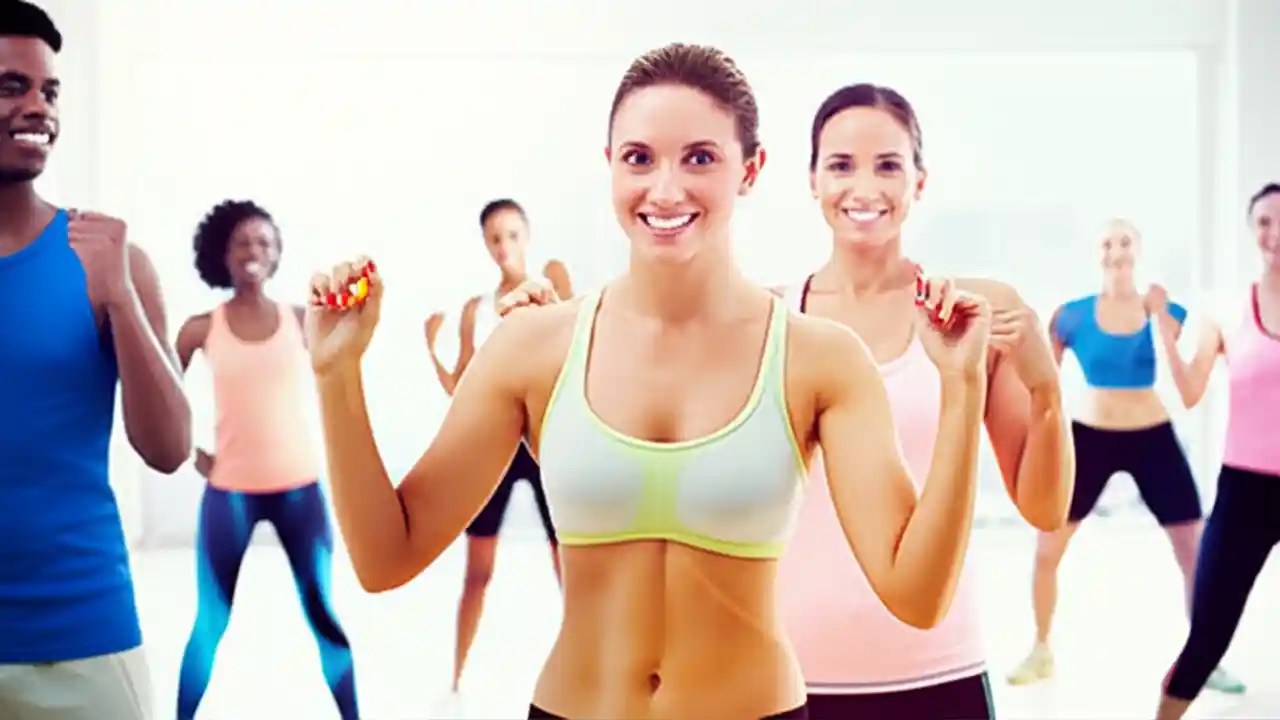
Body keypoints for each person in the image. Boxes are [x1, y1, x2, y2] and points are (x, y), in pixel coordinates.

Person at [307, 42, 994, 720]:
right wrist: (337, 374)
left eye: (700, 158)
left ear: (750, 170)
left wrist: (963, 390)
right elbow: (385, 557)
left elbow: (918, 596)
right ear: (610, 166)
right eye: (639, 158)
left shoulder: (818, 359)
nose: (665, 190)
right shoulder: (534, 347)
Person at [775, 83, 1074, 719]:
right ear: (811, 179)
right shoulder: (768, 318)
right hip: (788, 679)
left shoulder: (973, 310)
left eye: (888, 165)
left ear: (920, 179)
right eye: (841, 165)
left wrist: (1047, 388)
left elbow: (1046, 508)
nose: (865, 187)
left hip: (941, 674)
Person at [0, 2, 193, 718]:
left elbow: (169, 448)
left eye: (48, 91)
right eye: (9, 86)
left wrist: (118, 299)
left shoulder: (111, 259)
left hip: (81, 647)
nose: (35, 107)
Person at [1005, 217, 1243, 693]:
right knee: (1048, 543)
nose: (1117, 251)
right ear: (1097, 254)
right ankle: (1041, 647)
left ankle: (1204, 656)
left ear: (1139, 250)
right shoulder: (1069, 316)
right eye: (1107, 243)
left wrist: (1160, 321)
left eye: (1125, 242)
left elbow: (1184, 380)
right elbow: (1041, 384)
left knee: (1193, 547)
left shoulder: (1167, 310)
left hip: (1151, 434)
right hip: (1089, 436)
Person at [172, 200, 359, 720]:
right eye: (241, 243)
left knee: (324, 616)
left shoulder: (302, 321)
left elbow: (345, 381)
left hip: (301, 489)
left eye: (263, 243)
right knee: (210, 622)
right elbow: (160, 398)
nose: (253, 251)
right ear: (222, 254)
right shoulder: (199, 328)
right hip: (229, 493)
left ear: (276, 254)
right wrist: (192, 454)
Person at [423, 198, 571, 693]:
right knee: (477, 573)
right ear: (486, 245)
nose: (505, 247)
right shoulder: (475, 311)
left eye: (512, 235)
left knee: (569, 567)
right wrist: (431, 351)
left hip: (547, 446)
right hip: (497, 451)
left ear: (526, 236)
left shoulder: (551, 281)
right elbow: (461, 390)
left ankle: (594, 672)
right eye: (495, 238)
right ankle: (454, 685)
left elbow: (573, 350)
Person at [1155, 182, 1280, 720]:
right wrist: (1165, 331)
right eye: (1264, 222)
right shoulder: (1229, 309)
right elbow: (1188, 392)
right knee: (1207, 639)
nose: (1275, 234)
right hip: (1245, 492)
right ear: (1253, 231)